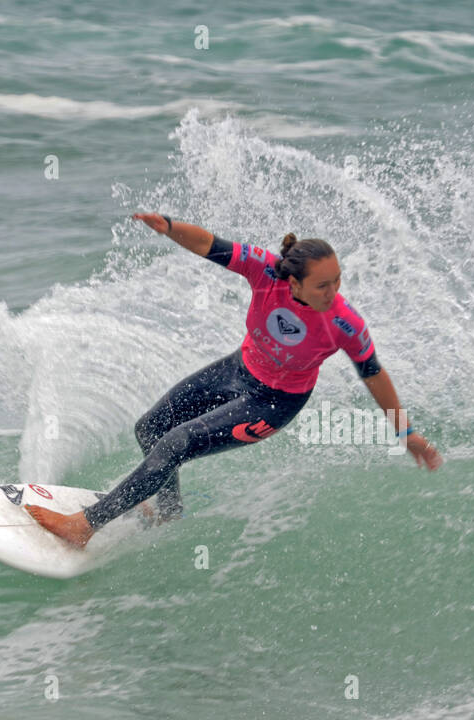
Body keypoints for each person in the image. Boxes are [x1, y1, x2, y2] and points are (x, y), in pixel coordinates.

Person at [27, 213, 443, 548]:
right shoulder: (266, 272)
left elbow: (374, 374)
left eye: (337, 281)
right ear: (294, 282)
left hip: (275, 402)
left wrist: (405, 433)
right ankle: (169, 514)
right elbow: (210, 244)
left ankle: (84, 526)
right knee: (151, 429)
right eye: (322, 284)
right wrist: (170, 228)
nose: (333, 292)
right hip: (239, 369)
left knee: (178, 442)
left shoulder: (344, 324)